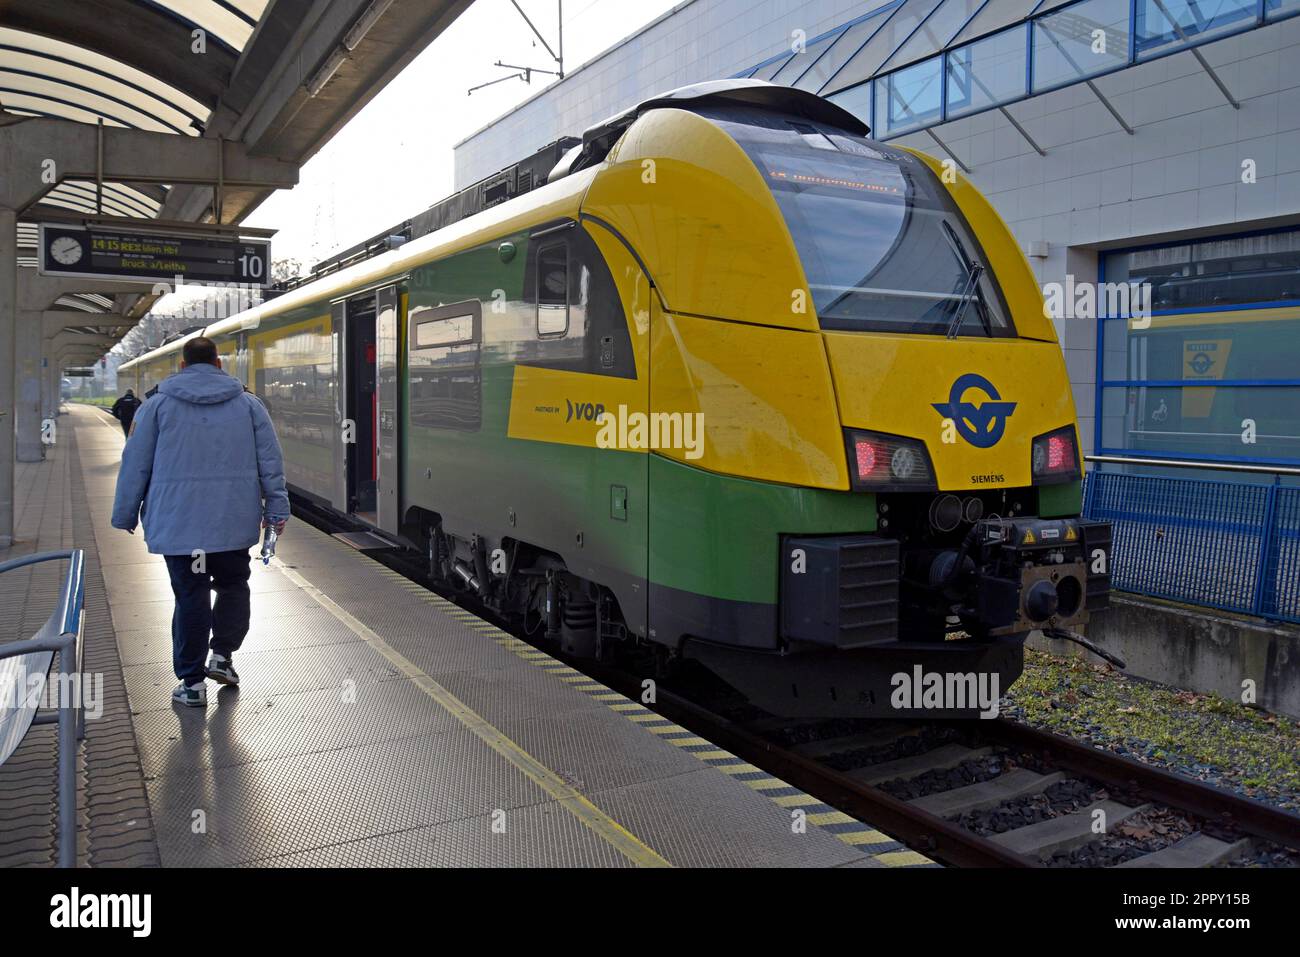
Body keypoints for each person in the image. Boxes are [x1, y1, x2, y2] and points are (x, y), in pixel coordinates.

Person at [111, 337, 290, 708]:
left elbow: (135, 465)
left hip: (180, 526)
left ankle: (192, 684)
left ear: (181, 365)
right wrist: (276, 511)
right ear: (219, 363)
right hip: (231, 522)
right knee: (233, 585)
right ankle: (222, 657)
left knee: (190, 594)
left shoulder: (156, 406)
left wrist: (125, 513)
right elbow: (271, 463)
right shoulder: (249, 405)